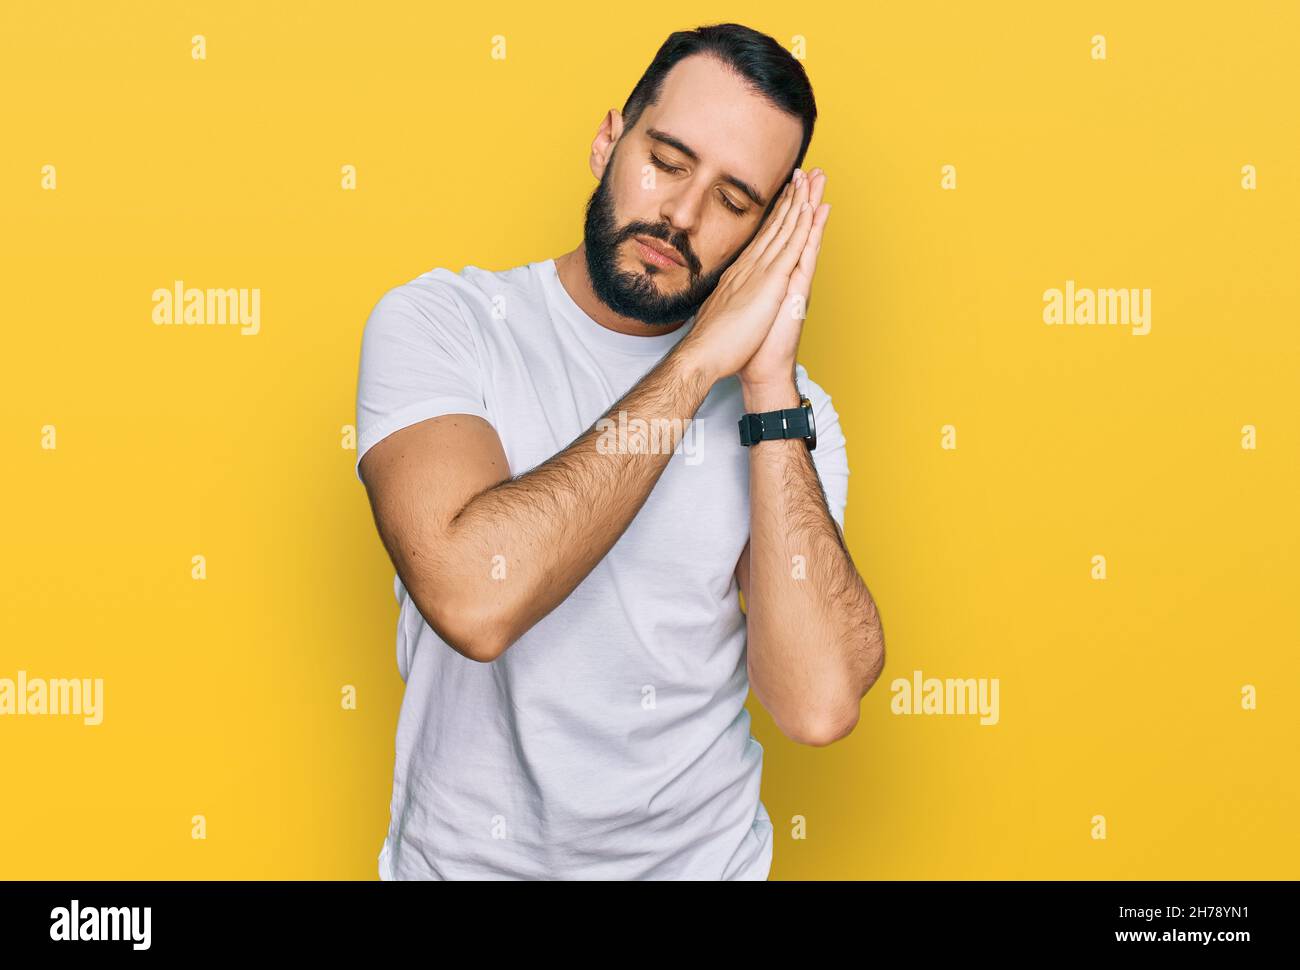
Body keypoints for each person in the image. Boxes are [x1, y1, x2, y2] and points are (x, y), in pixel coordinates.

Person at [354, 22, 885, 880]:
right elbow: (473, 600)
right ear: (610, 139)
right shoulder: (443, 325)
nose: (681, 215)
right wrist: (698, 359)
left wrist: (763, 384)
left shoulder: (785, 410)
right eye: (667, 161)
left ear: (769, 231)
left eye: (735, 200)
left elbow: (817, 704)